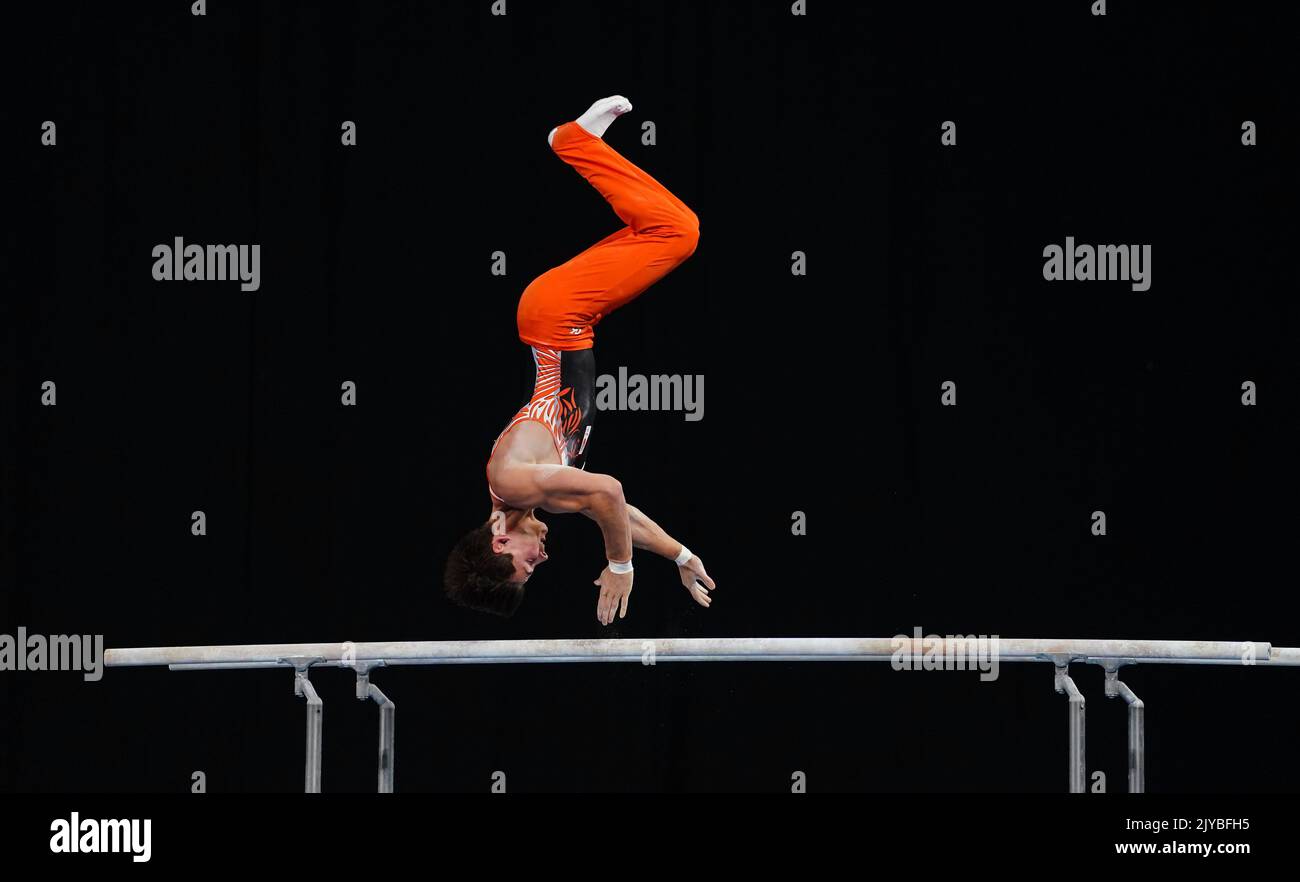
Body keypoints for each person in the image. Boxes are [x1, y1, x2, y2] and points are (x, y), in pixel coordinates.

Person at [444, 96, 715, 624]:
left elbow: (608, 491)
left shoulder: (515, 482)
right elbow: (617, 510)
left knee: (677, 233)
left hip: (556, 319)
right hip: (565, 319)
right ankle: (581, 143)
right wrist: (680, 555)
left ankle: (573, 143)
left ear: (500, 543)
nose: (541, 559)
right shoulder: (537, 495)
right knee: (662, 229)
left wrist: (620, 566)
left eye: (527, 565)